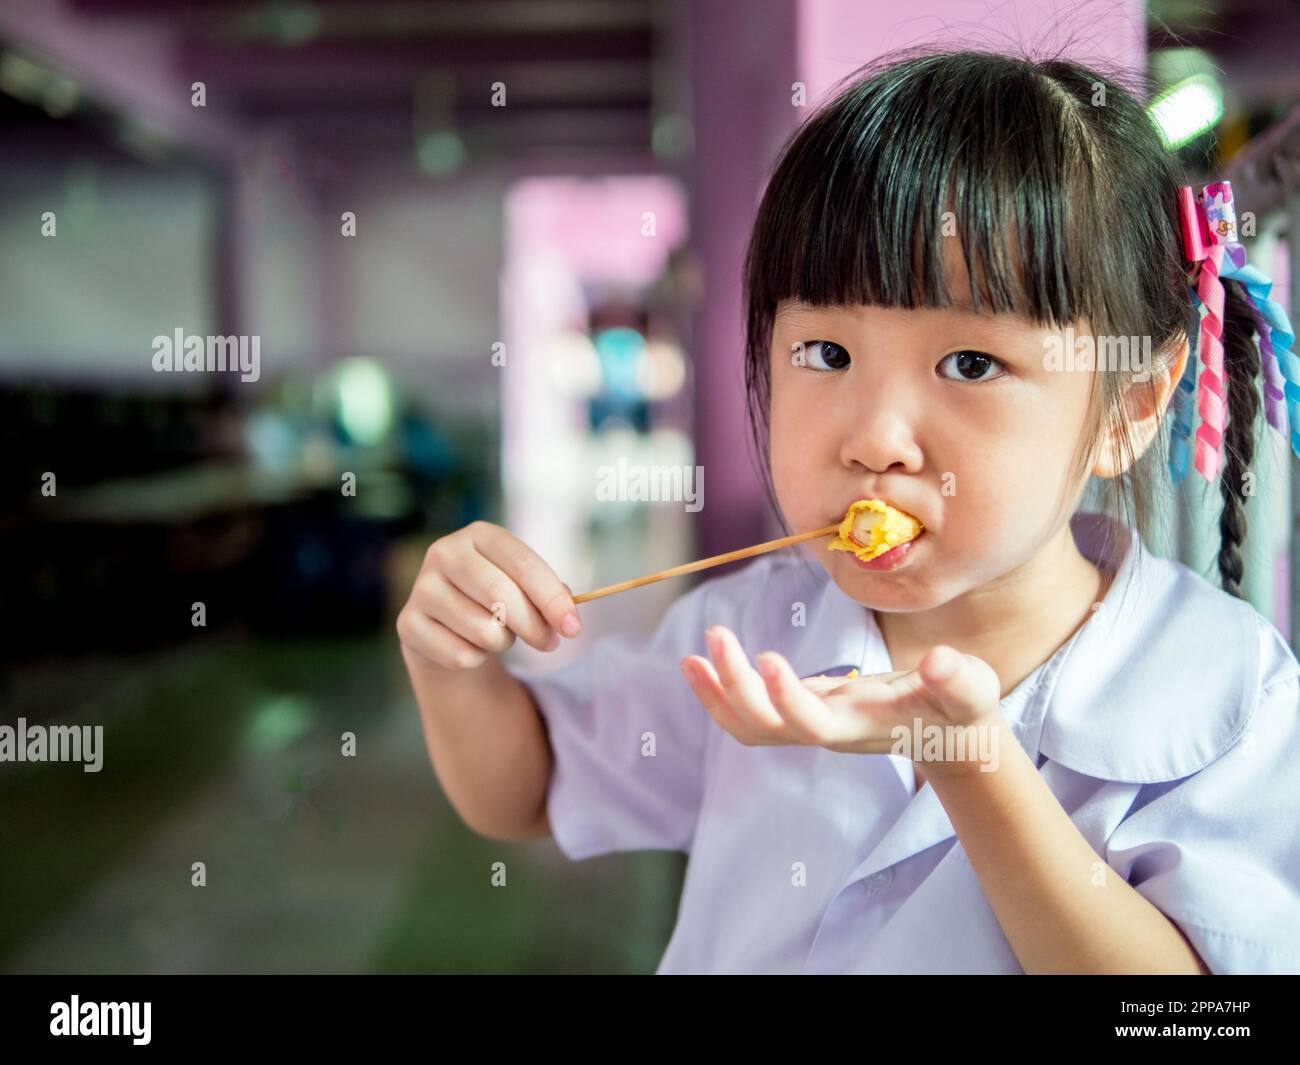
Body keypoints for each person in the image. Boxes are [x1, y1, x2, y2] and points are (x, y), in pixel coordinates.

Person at [397, 49, 1300, 974]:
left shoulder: (1231, 698)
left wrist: (966, 755)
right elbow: (532, 788)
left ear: (1130, 407)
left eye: (972, 365)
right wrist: (452, 666)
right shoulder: (747, 630)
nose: (874, 438)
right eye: (826, 353)